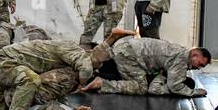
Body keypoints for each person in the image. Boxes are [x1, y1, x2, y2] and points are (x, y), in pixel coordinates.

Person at [80, 35, 210, 97]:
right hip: (131, 56)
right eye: (200, 64)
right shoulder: (182, 59)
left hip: (129, 50)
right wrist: (194, 93)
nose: (198, 68)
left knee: (122, 75)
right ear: (195, 55)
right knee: (141, 87)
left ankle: (90, 65)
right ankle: (102, 83)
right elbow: (174, 86)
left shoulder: (180, 51)